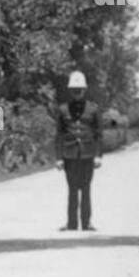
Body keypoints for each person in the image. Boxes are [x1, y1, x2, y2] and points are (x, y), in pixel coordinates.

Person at [55, 70, 101, 231]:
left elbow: (97, 134)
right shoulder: (63, 110)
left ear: (84, 90)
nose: (77, 93)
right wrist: (59, 158)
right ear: (70, 91)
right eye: (74, 90)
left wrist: (98, 155)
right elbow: (59, 135)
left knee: (86, 189)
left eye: (79, 90)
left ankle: (87, 223)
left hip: (87, 155)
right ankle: (72, 223)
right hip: (70, 155)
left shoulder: (93, 109)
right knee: (73, 190)